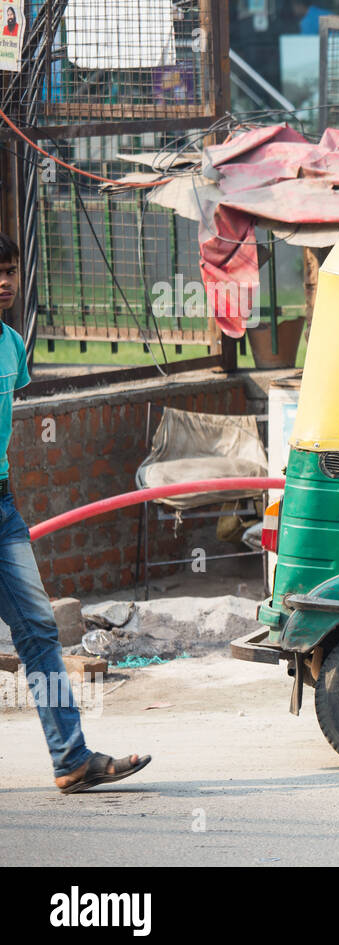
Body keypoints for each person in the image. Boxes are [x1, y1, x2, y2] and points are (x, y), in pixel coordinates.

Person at [0, 234, 151, 793]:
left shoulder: (12, 345)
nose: (5, 281)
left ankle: (71, 759)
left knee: (38, 629)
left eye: (12, 270)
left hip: (2, 508)